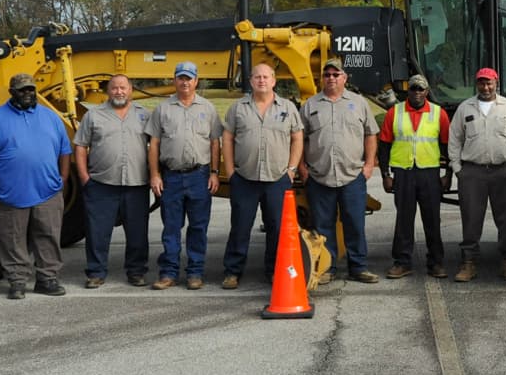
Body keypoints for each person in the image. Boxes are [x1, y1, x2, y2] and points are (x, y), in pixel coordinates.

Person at [0, 73, 71, 300]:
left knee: (48, 236)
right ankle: (17, 281)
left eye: (31, 90)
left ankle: (47, 279)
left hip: (47, 191)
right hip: (9, 193)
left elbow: (65, 150)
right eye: (22, 90)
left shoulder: (51, 117)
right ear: (11, 93)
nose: (28, 94)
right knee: (12, 239)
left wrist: (63, 179)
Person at [221, 62, 303, 289]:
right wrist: (230, 171)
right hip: (245, 178)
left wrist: (292, 169)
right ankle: (232, 272)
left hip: (277, 179)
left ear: (274, 80)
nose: (262, 81)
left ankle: (274, 271)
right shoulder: (238, 108)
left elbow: (297, 137)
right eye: (257, 77)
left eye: (266, 77)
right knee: (240, 226)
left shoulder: (287, 107)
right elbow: (227, 138)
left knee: (276, 228)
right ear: (250, 81)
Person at [299, 57, 380, 284]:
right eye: (327, 75)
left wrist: (369, 164)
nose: (331, 78)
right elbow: (298, 138)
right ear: (322, 78)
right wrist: (302, 168)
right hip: (319, 176)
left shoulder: (359, 103)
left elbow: (370, 134)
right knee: (323, 225)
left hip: (352, 175)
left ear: (345, 78)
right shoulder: (310, 106)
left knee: (354, 223)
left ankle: (359, 267)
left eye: (336, 74)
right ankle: (328, 267)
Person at [145, 61, 222, 290]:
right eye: (181, 78)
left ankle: (195, 273)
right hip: (172, 177)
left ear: (196, 81)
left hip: (199, 176)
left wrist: (215, 173)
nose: (185, 82)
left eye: (189, 78)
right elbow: (154, 144)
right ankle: (169, 273)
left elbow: (215, 143)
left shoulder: (207, 108)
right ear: (174, 80)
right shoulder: (163, 109)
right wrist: (155, 175)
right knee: (171, 227)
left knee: (198, 227)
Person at [73, 74, 150, 288]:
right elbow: (80, 146)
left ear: (131, 90)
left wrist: (155, 175)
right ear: (108, 91)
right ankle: (96, 273)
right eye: (114, 88)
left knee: (137, 233)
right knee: (98, 233)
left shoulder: (144, 115)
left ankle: (136, 272)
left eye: (123, 88)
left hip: (136, 184)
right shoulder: (94, 115)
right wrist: (84, 178)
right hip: (101, 184)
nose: (119, 92)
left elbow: (157, 145)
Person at [448, 67, 506, 283]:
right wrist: (457, 168)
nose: (486, 87)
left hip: (504, 171)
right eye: (482, 82)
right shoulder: (465, 108)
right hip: (472, 172)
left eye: (489, 82)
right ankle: (468, 263)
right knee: (471, 219)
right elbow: (455, 139)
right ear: (476, 84)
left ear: (496, 83)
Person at [378, 74, 450, 280]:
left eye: (421, 89)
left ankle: (436, 263)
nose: (417, 93)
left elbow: (447, 146)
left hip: (429, 173)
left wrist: (448, 174)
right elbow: (384, 145)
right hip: (403, 173)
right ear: (407, 91)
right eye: (413, 89)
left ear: (427, 91)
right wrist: (385, 174)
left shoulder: (439, 113)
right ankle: (402, 262)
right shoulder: (395, 112)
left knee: (432, 220)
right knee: (404, 220)